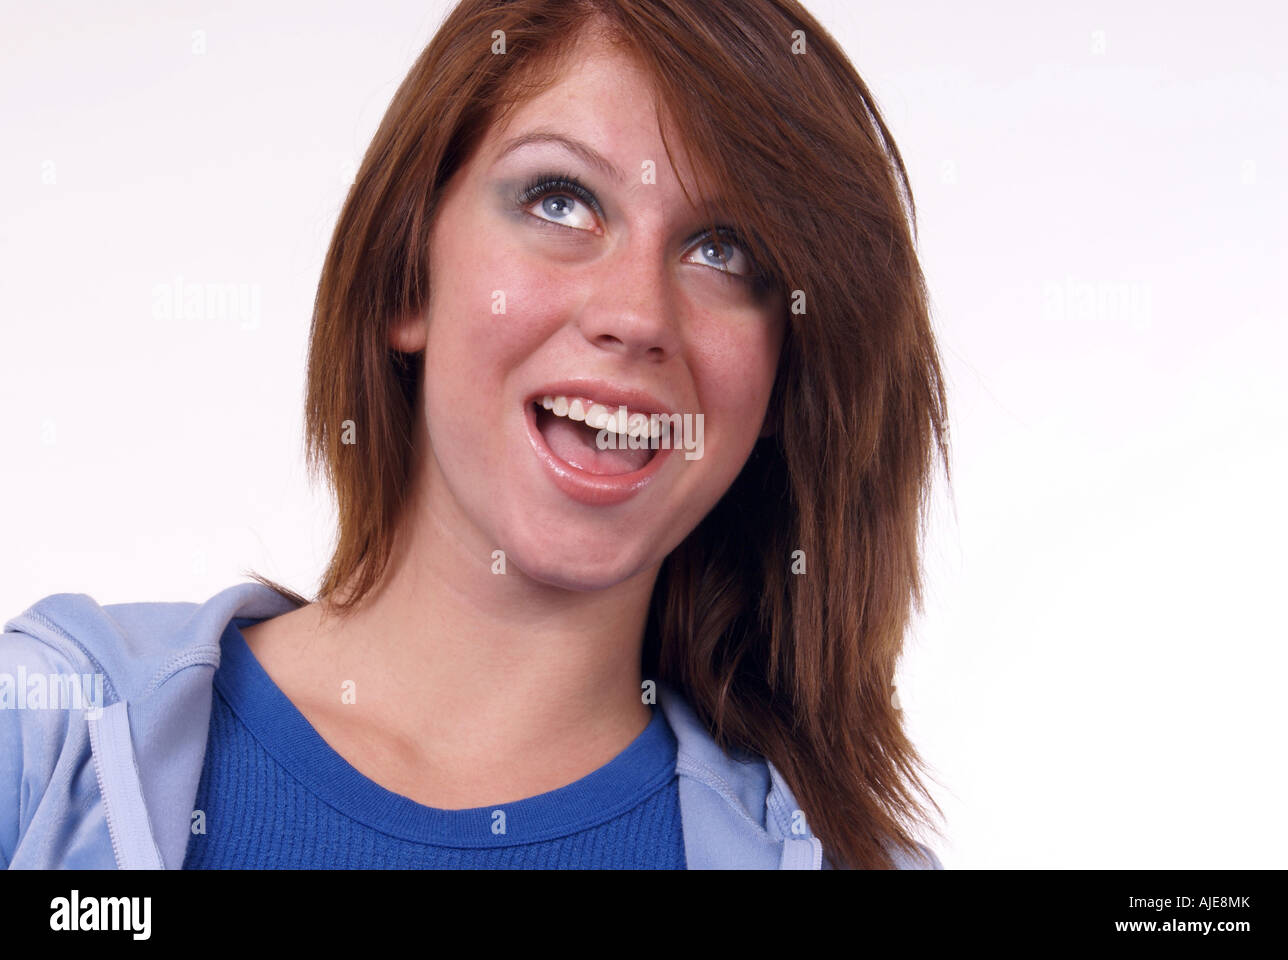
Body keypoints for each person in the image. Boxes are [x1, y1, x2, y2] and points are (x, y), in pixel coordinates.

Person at [1, 0, 949, 870]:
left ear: (785, 370)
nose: (637, 314)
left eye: (724, 251)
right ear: (407, 275)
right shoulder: (41, 739)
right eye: (561, 200)